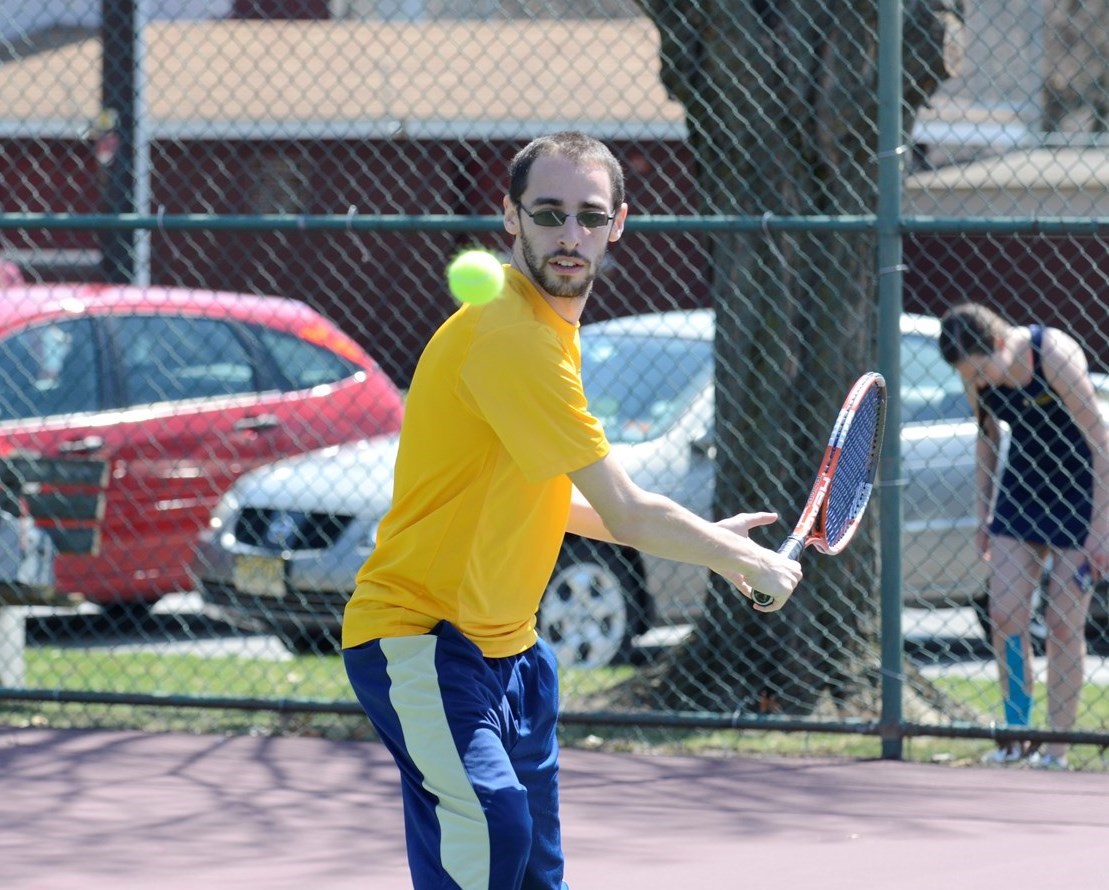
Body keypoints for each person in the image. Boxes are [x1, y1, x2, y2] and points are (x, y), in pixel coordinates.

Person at [341, 131, 803, 889]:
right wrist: (745, 560)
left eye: (589, 216)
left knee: (534, 872)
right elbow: (624, 511)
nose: (569, 234)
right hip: (420, 639)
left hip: (513, 654)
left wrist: (707, 541)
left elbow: (556, 497)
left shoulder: (551, 333)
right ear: (510, 218)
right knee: (492, 830)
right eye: (548, 213)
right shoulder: (511, 337)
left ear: (617, 222)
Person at [939, 302, 1108, 769]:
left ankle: (1055, 749)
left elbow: (1100, 438)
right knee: (1006, 613)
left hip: (1080, 492)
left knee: (1061, 623)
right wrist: (983, 514)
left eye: (981, 370)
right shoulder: (973, 370)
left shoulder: (1051, 354)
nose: (980, 383)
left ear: (998, 343)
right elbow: (987, 437)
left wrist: (1101, 530)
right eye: (969, 376)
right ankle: (1017, 735)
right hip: (1023, 489)